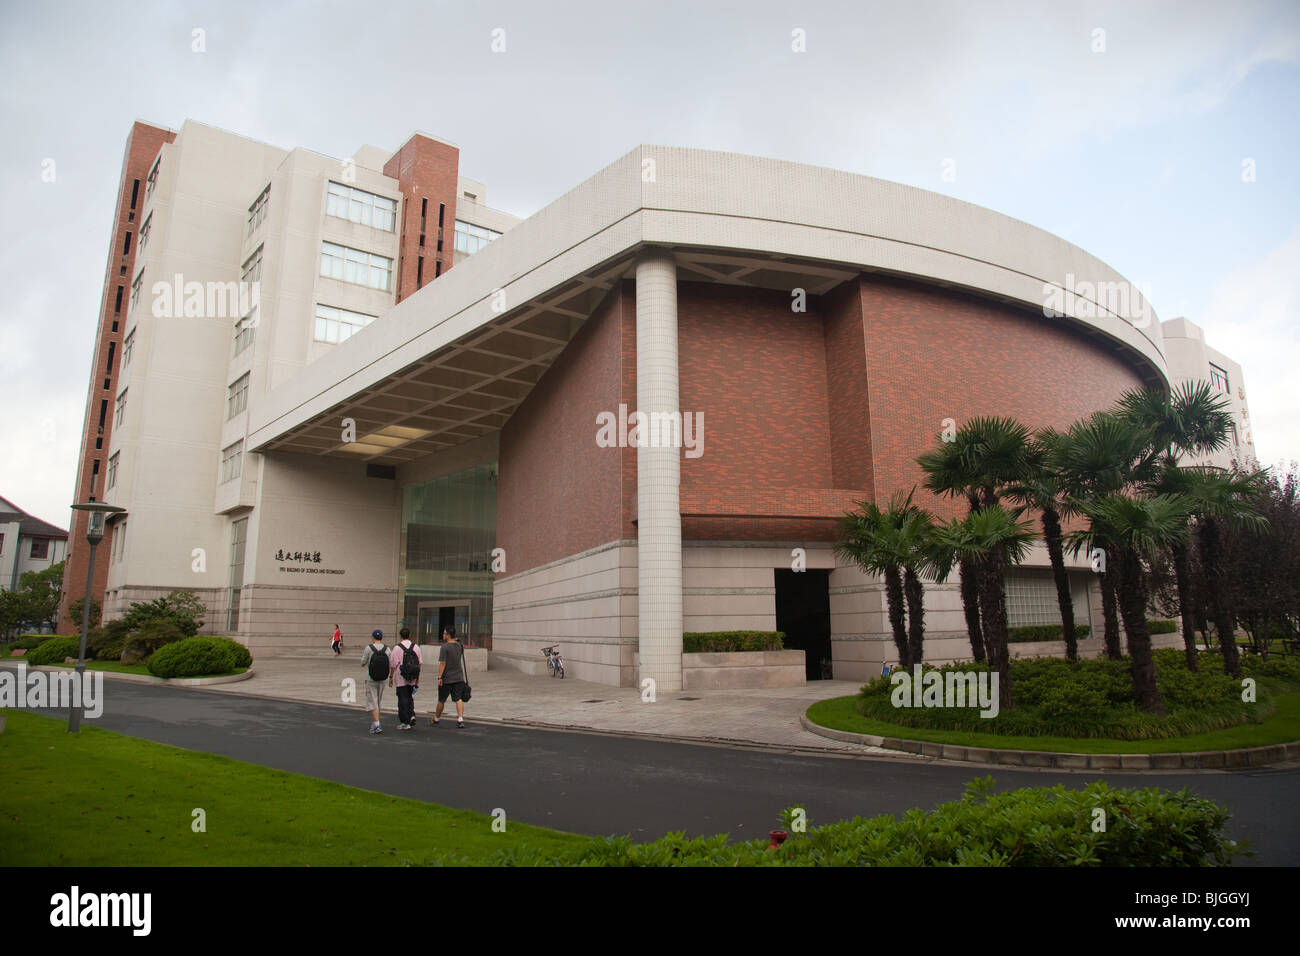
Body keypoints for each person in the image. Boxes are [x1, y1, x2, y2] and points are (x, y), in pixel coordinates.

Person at [431, 625, 469, 728]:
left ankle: (437, 718)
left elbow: (442, 663)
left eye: (444, 633)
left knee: (441, 699)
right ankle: (460, 719)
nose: (443, 635)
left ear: (448, 635)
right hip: (458, 677)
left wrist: (439, 677)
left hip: (447, 678)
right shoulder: (459, 646)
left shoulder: (444, 647)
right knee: (458, 698)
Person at [389, 626, 422, 730]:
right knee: (409, 697)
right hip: (412, 675)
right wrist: (417, 677)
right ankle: (411, 715)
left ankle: (405, 721)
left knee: (402, 699)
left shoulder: (397, 648)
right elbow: (419, 663)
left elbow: (393, 665)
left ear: (400, 636)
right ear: (409, 635)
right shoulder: (416, 647)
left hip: (401, 676)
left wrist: (390, 677)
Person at [360, 630, 388, 735]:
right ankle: (376, 722)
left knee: (372, 701)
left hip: (371, 678)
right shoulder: (387, 649)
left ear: (373, 637)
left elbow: (363, 662)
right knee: (378, 701)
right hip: (383, 678)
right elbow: (390, 662)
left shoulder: (369, 648)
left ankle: (377, 724)